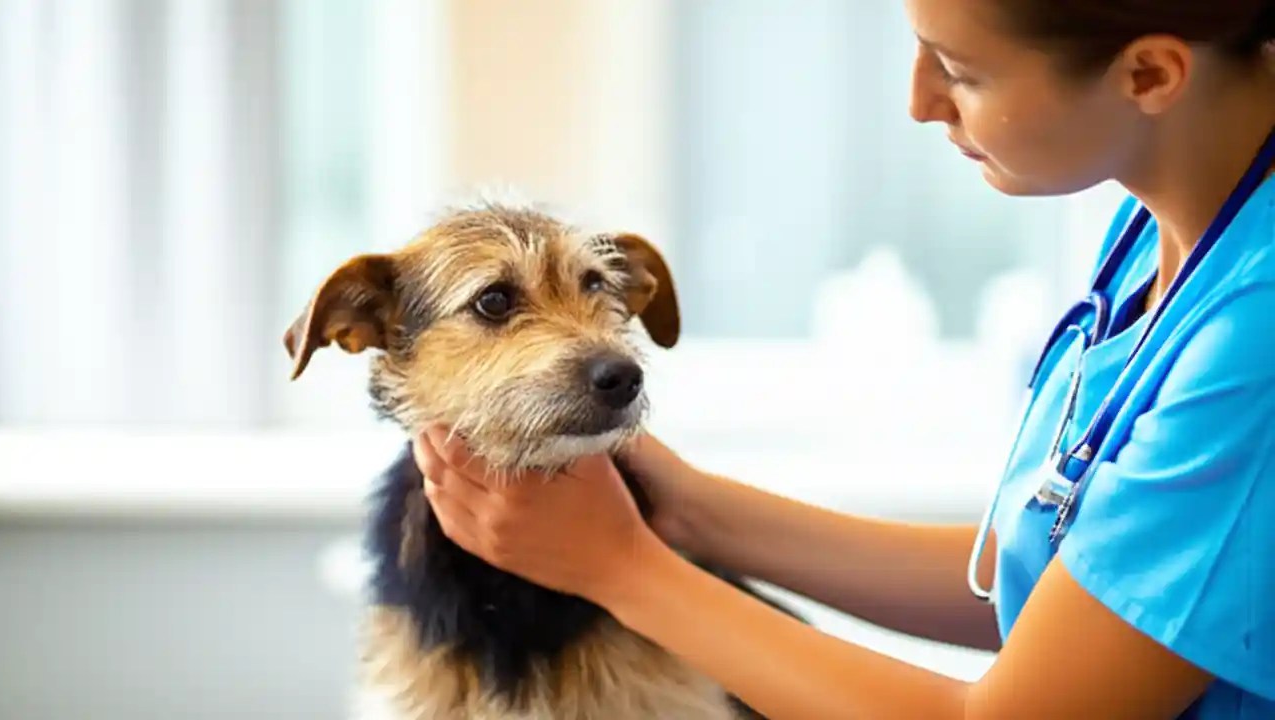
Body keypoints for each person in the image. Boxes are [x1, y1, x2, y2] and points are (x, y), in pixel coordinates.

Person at [414, 1, 1275, 717]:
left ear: (1149, 75)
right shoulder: (1165, 230)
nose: (918, 100)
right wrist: (693, 512)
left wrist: (621, 569)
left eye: (962, 72)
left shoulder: (1257, 338)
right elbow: (1072, 585)